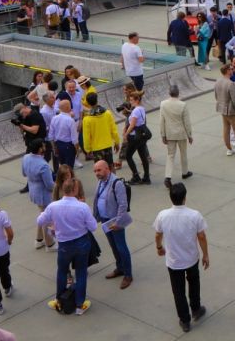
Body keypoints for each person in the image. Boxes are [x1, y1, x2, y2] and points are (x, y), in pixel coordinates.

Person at [154, 182, 209, 333]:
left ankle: (185, 321)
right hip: (191, 259)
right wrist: (205, 255)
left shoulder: (163, 215)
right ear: (185, 197)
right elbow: (202, 237)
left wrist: (159, 247)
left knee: (178, 291)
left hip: (174, 262)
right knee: (194, 283)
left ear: (170, 198)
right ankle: (196, 309)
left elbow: (158, 234)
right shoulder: (194, 215)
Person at [39, 177, 97, 315]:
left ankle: (59, 301)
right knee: (81, 273)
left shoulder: (53, 206)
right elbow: (93, 227)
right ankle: (80, 305)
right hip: (81, 242)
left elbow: (40, 220)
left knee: (62, 272)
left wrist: (52, 222)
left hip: (64, 245)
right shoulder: (82, 207)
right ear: (75, 190)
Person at [93, 159, 134, 289]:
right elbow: (97, 199)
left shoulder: (117, 183)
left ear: (107, 169)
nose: (96, 173)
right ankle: (120, 268)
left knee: (121, 247)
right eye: (95, 171)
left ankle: (128, 275)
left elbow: (123, 205)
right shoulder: (100, 182)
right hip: (105, 221)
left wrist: (118, 222)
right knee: (113, 246)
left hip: (115, 221)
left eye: (99, 170)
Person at [21, 139, 55, 249]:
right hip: (43, 194)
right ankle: (49, 243)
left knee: (42, 215)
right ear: (40, 149)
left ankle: (39, 239)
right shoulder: (43, 165)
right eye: (43, 146)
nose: (45, 148)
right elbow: (49, 185)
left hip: (33, 191)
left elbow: (24, 173)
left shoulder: (26, 158)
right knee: (46, 219)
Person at [160, 84, 194, 187]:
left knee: (170, 155)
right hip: (181, 134)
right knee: (183, 153)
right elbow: (187, 122)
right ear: (178, 93)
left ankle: (168, 177)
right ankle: (185, 172)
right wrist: (189, 135)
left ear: (169, 93)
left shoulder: (163, 104)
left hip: (170, 134)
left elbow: (162, 121)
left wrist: (163, 135)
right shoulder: (183, 105)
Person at [121, 90, 152, 184]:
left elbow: (132, 125)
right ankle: (146, 177)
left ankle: (136, 176)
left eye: (131, 100)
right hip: (141, 136)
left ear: (137, 100)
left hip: (134, 137)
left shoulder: (135, 111)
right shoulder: (141, 108)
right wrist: (129, 111)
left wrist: (126, 134)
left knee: (128, 156)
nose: (130, 102)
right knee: (143, 156)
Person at [82, 92, 120, 167]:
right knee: (110, 166)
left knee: (100, 168)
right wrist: (117, 142)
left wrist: (87, 149)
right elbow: (113, 130)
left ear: (88, 103)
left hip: (96, 149)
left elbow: (86, 137)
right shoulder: (107, 113)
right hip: (108, 145)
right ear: (97, 100)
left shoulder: (87, 119)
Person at [49, 97, 79, 170]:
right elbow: (74, 139)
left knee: (63, 166)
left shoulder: (54, 118)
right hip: (68, 146)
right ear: (68, 107)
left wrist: (54, 148)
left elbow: (51, 136)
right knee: (69, 168)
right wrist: (77, 150)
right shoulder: (70, 120)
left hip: (58, 144)